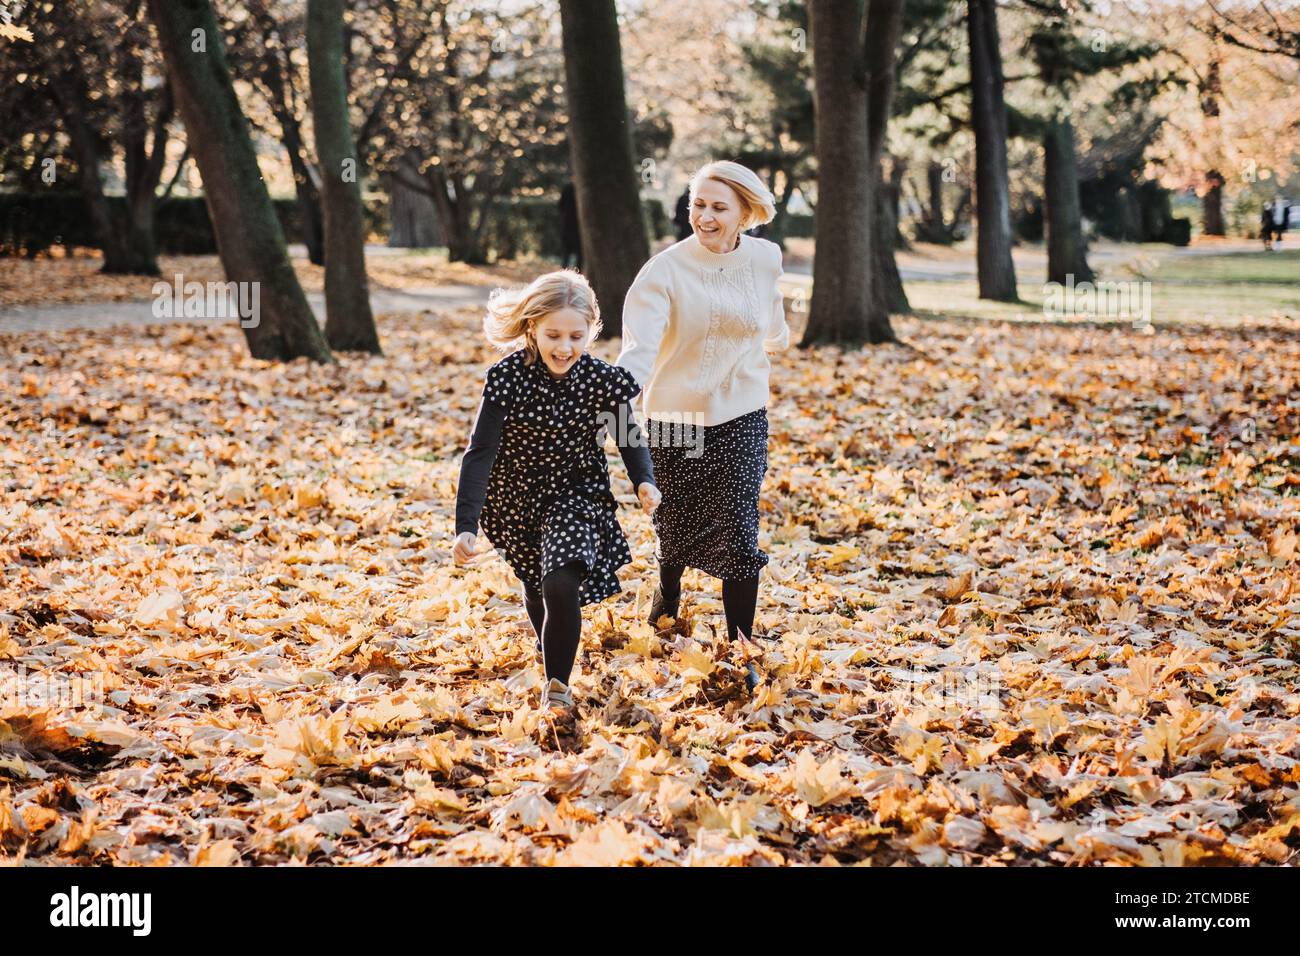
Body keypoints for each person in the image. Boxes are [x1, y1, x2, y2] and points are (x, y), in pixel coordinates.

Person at [453, 270, 661, 733]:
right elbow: (480, 451)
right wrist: (465, 523)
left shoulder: (601, 380)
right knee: (536, 584)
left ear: (591, 330)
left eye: (575, 335)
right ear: (531, 329)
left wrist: (644, 480)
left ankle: (557, 686)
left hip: (577, 493)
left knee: (560, 582)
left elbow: (629, 437)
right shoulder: (508, 378)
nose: (564, 347)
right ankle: (552, 649)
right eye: (553, 335)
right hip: (515, 497)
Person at [616, 160, 791, 694]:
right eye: (698, 205)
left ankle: (743, 648)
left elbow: (774, 326)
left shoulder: (765, 258)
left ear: (745, 213)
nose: (706, 217)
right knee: (675, 524)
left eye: (719, 207)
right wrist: (611, 399)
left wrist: (763, 345)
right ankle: (668, 591)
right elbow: (638, 351)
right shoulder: (664, 271)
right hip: (675, 414)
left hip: (741, 411)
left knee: (738, 531)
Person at [558, 181, 582, 270]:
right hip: (579, 228)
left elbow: (560, 206)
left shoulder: (567, 188)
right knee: (580, 255)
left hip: (567, 226)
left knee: (566, 255)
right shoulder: (583, 189)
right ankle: (579, 274)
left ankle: (564, 272)